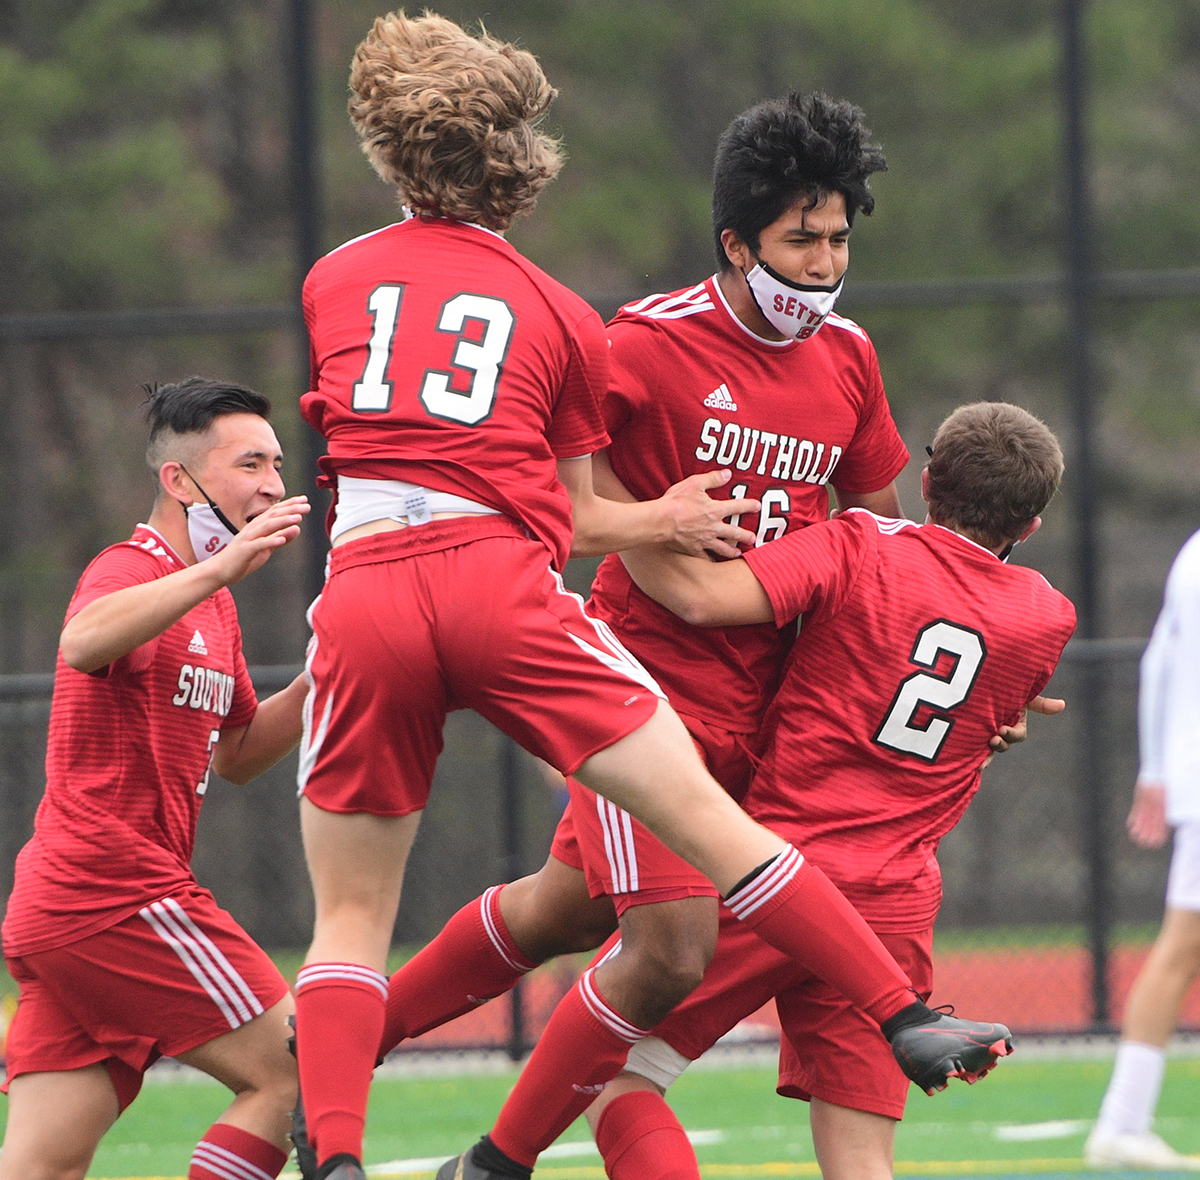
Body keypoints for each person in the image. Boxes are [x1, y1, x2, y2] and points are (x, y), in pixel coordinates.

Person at [291, 16, 1011, 1180]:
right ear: (735, 242)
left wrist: (973, 660)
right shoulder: (632, 342)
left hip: (774, 710)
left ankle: (334, 1053)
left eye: (838, 239)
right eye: (800, 239)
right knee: (670, 951)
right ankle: (490, 1155)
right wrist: (679, 547)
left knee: (564, 913)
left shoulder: (849, 357)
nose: (824, 263)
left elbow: (882, 541)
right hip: (653, 675)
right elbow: (565, 515)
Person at [574, 400, 1076, 1180]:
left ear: (927, 475)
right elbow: (977, 691)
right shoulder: (1047, 616)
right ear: (1033, 525)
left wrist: (632, 511)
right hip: (897, 902)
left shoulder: (858, 541)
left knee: (608, 1078)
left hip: (779, 875)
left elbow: (703, 598)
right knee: (860, 1161)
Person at [0, 378, 311, 1180]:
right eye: (250, 463)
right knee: (294, 1074)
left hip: (69, 908)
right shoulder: (131, 566)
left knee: (40, 1166)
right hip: (110, 889)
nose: (275, 483)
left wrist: (325, 678)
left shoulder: (217, 605)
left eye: (276, 463)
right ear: (180, 481)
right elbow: (82, 641)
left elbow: (239, 752)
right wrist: (218, 572)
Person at [1085, 528, 1200, 1170]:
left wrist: (1157, 768)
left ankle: (1122, 1121)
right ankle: (1122, 1122)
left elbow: (1159, 659)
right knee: (1182, 946)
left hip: (1191, 772)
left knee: (1181, 946)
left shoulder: (1190, 550)